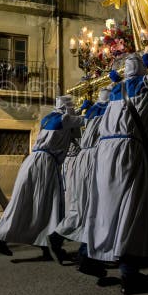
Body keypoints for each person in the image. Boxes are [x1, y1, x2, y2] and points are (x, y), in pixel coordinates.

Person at [82, 32, 148, 295]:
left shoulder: (113, 91)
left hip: (104, 151)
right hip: (128, 149)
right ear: (142, 70)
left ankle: (89, 254)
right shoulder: (146, 83)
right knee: (132, 206)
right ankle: (129, 273)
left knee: (104, 203)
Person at [0, 96, 85, 259]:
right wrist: (87, 107)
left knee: (21, 201)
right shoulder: (65, 118)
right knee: (49, 204)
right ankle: (47, 244)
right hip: (46, 164)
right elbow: (83, 121)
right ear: (66, 108)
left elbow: (70, 122)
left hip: (32, 160)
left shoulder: (48, 118)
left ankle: (0, 237)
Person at [50, 87, 112, 274]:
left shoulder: (91, 111)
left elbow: (77, 126)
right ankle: (86, 254)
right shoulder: (109, 111)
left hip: (81, 159)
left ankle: (58, 237)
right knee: (95, 206)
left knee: (80, 206)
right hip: (95, 158)